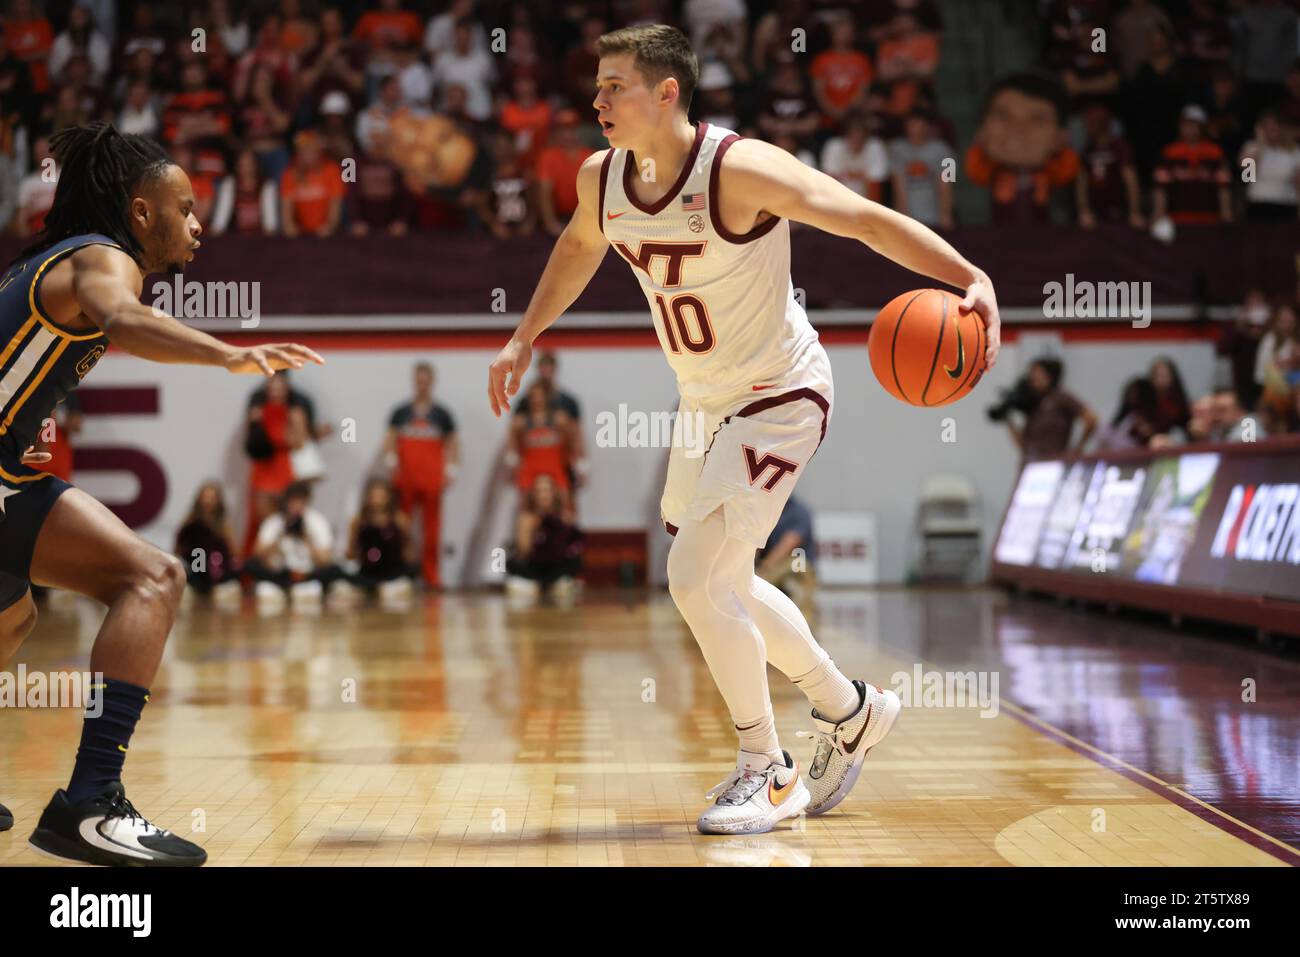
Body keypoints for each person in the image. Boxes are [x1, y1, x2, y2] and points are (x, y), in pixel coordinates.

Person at [487, 25, 1002, 835]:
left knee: (695, 576)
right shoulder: (599, 179)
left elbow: (862, 218)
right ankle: (850, 706)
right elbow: (579, 247)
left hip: (780, 389)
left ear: (667, 93)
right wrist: (525, 335)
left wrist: (968, 276)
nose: (596, 101)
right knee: (719, 579)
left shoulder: (741, 170)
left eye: (613, 85)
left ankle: (767, 767)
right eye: (596, 84)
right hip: (701, 401)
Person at [0, 122, 322, 865]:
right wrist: (228, 354)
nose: (198, 224)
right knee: (153, 575)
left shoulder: (43, 259)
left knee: (12, 615)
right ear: (140, 211)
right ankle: (91, 801)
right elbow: (123, 317)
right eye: (185, 208)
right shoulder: (104, 258)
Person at [384, 362, 458, 589]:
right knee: (401, 527)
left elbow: (453, 443)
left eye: (426, 380)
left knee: (432, 530)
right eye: (419, 380)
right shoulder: (400, 412)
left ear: (431, 382)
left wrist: (451, 468)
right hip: (406, 477)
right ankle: (401, 573)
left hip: (432, 479)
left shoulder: (442, 414)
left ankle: (431, 575)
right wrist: (391, 459)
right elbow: (390, 439)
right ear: (414, 381)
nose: (422, 384)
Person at [246, 481, 345, 604]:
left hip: (308, 575)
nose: (296, 507)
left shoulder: (317, 522)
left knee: (333, 572)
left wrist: (306, 539)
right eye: (293, 501)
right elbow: (257, 555)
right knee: (252, 568)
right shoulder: (275, 522)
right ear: (286, 501)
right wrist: (279, 537)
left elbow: (325, 560)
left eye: (301, 502)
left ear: (307, 501)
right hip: (280, 575)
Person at [505, 473, 583, 601]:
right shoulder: (525, 518)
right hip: (532, 567)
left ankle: (554, 585)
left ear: (554, 493)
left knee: (563, 590)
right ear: (533, 494)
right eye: (539, 491)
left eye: (546, 490)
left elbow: (573, 546)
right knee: (523, 591)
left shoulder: (565, 517)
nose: (543, 495)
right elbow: (524, 551)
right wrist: (535, 530)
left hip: (557, 567)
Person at [1003, 358, 1098, 460]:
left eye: (1038, 374)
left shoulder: (1061, 398)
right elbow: (1024, 444)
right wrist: (1008, 420)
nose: (1033, 378)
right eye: (1032, 374)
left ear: (1049, 376)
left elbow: (1091, 419)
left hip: (1054, 462)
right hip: (1031, 464)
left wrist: (1078, 448)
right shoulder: (1033, 402)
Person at [346, 477, 416, 600]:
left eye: (380, 496)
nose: (376, 501)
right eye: (373, 496)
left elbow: (408, 548)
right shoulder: (359, 521)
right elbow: (351, 551)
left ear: (388, 498)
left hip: (394, 572)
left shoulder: (399, 520)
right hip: (368, 572)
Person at [175, 481, 241, 601]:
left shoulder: (224, 525)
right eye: (205, 497)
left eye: (212, 497)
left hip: (218, 571)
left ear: (218, 501)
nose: (208, 501)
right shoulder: (190, 522)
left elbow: (234, 553)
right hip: (195, 569)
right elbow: (178, 549)